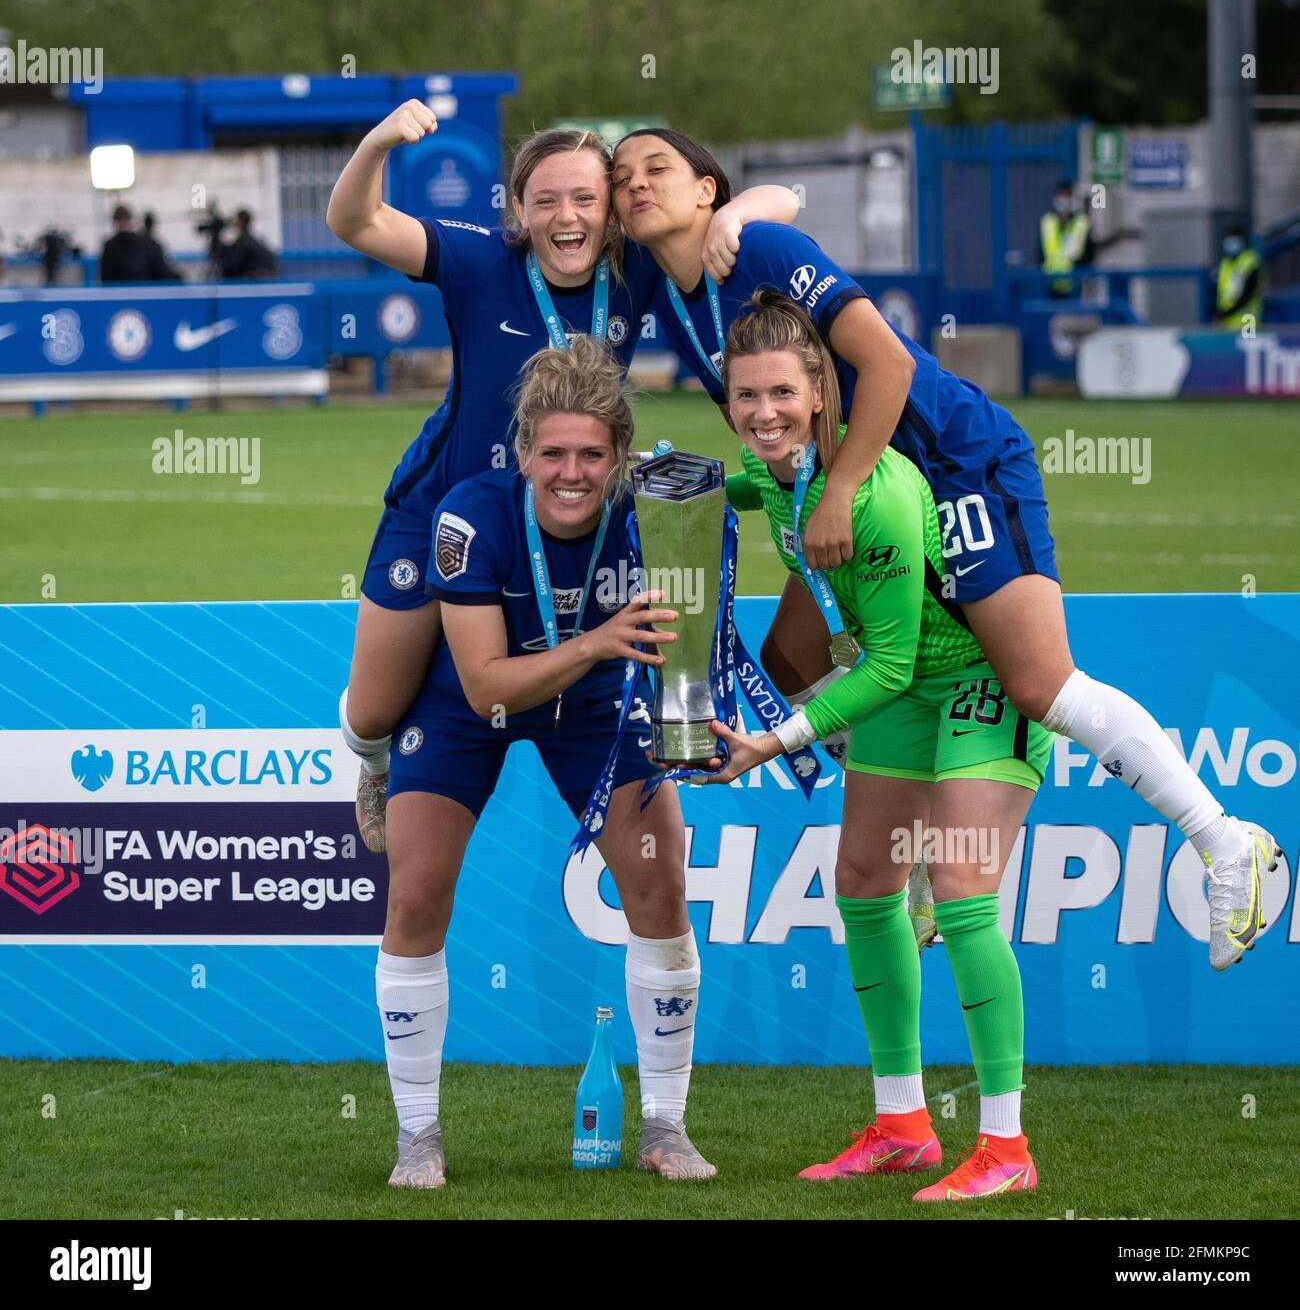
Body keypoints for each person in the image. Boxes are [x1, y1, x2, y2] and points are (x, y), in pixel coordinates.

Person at [610, 128, 1282, 973]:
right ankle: (928, 838)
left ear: (706, 187)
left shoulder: (760, 246)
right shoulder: (660, 284)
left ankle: (1228, 845)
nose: (635, 184)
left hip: (952, 461)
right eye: (622, 176)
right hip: (861, 483)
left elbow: (885, 363)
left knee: (1038, 682)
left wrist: (845, 490)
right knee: (785, 659)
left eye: (656, 169)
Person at [326, 101, 799, 855]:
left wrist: (732, 217)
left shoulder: (634, 266)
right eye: (546, 199)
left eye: (585, 197)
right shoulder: (482, 260)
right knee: (375, 709)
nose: (567, 215)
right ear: (519, 209)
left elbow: (788, 199)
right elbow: (354, 221)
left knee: (578, 672)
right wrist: (379, 139)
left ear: (611, 211)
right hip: (447, 502)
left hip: (569, 505)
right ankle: (379, 763)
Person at [699, 291, 1047, 1199]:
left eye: (781, 393)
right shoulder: (771, 469)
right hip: (907, 692)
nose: (764, 414)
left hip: (973, 675)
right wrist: (655, 480)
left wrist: (774, 740)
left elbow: (888, 664)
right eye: (745, 398)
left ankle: (1005, 1148)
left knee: (964, 894)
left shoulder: (882, 494)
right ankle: (903, 1124)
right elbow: (741, 487)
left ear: (821, 393)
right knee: (864, 884)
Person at [378, 334, 714, 1187]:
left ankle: (666, 1126)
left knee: (660, 882)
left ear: (622, 458)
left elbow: (700, 624)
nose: (573, 473)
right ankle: (418, 1135)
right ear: (523, 453)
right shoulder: (470, 514)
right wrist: (600, 639)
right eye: (554, 452)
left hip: (597, 707)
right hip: (467, 707)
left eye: (594, 454)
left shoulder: (657, 514)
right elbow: (488, 680)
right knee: (416, 891)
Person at [1038, 180, 1093, 298]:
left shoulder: (1082, 223)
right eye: (1062, 195)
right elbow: (1040, 254)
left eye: (1068, 195)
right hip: (1050, 285)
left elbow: (1090, 254)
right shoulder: (1047, 222)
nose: (1065, 200)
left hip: (1077, 287)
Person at [99, 204, 180, 282]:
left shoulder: (109, 246)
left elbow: (105, 277)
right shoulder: (149, 243)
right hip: (146, 293)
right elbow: (162, 271)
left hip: (124, 294)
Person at [1213, 226, 1265, 330]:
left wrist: (1226, 314)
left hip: (1248, 319)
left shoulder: (1251, 261)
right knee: (1226, 346)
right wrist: (1219, 313)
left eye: (1235, 239)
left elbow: (1248, 294)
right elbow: (1221, 293)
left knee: (1248, 345)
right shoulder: (1226, 263)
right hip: (1227, 322)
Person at [210, 208, 278, 278]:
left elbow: (231, 266)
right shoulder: (246, 240)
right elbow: (228, 253)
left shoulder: (245, 242)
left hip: (259, 279)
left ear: (241, 222)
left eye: (235, 220)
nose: (233, 222)